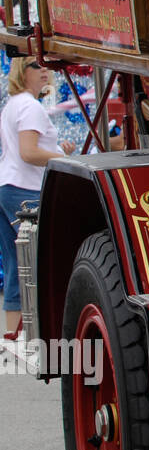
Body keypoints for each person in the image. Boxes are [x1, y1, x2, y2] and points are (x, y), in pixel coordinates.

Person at [0, 57, 73, 334]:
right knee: (40, 263)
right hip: (25, 191)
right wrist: (64, 156)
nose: (43, 69)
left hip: (7, 186)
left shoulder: (14, 105)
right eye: (35, 65)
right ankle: (38, 333)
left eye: (45, 65)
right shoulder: (30, 107)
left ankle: (13, 334)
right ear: (22, 71)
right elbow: (29, 152)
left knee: (15, 264)